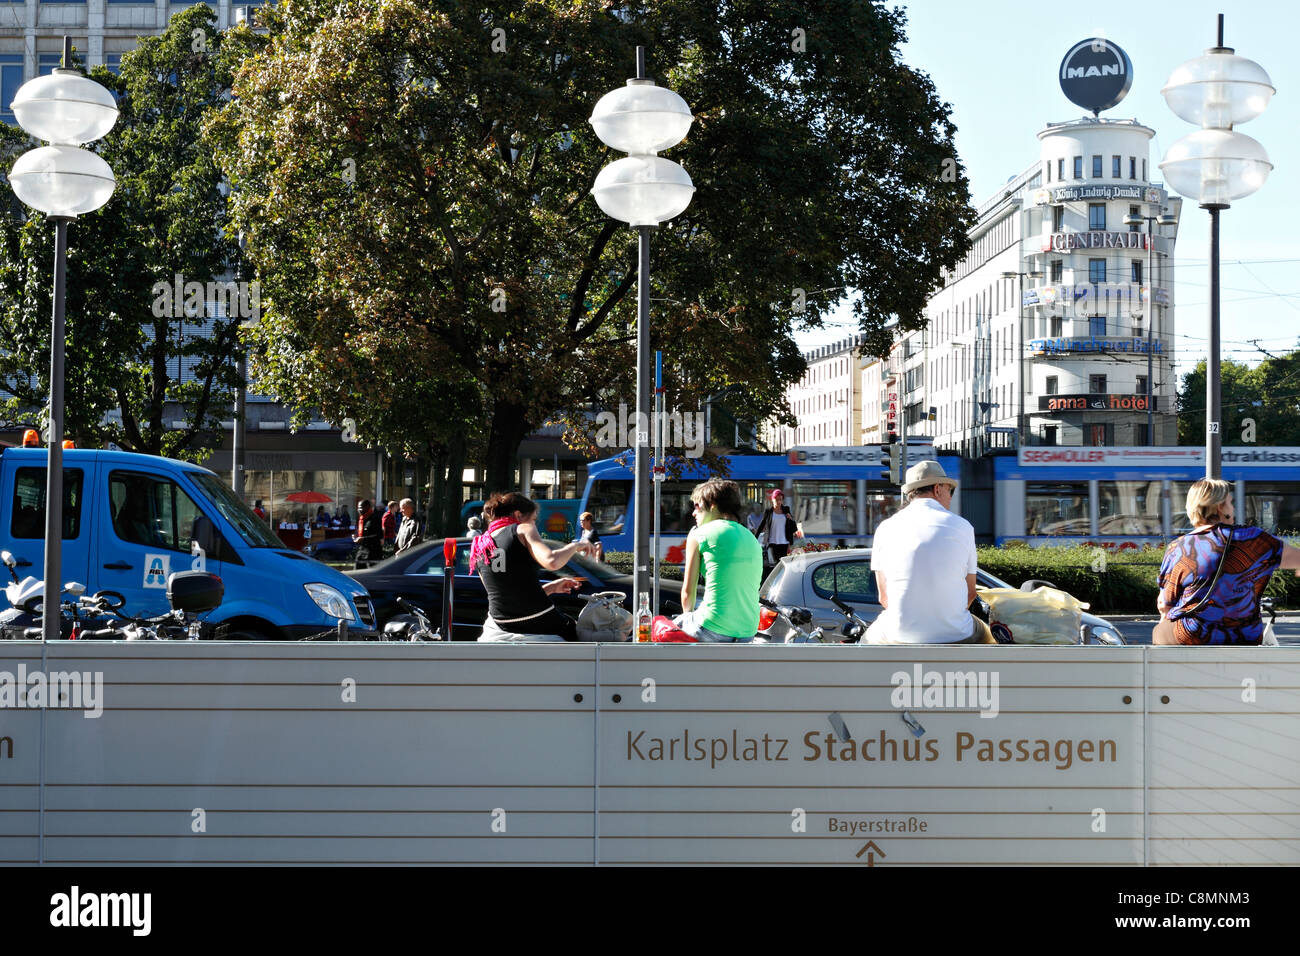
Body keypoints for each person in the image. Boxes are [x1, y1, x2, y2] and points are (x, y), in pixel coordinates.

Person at [1154, 478, 1300, 645]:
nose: (1234, 509)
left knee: (1160, 631)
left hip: (1193, 635)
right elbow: (1297, 558)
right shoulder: (1253, 539)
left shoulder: (1178, 548)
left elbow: (1165, 604)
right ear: (1220, 507)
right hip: (1245, 635)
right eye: (1231, 503)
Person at [866, 460, 993, 645]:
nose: (950, 497)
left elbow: (884, 598)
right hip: (957, 633)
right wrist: (946, 619)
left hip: (900, 634)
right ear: (937, 489)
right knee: (986, 631)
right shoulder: (963, 527)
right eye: (950, 490)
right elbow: (970, 593)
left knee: (867, 637)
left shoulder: (884, 528)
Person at [471, 492, 592, 641]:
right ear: (518, 515)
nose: (534, 524)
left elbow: (506, 595)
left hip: (501, 623)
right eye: (534, 519)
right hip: (537, 618)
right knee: (579, 633)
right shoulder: (522, 528)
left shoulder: (480, 545)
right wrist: (576, 546)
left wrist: (551, 588)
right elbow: (552, 561)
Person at [675, 478, 764, 642]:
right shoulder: (750, 537)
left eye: (697, 506)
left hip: (711, 626)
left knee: (661, 629)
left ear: (713, 505)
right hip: (748, 630)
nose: (693, 513)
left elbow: (688, 594)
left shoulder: (698, 534)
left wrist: (687, 618)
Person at [754, 489, 802, 565]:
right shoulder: (769, 511)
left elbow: (793, 527)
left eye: (780, 499)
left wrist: (790, 519)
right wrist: (754, 538)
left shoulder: (786, 509)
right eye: (776, 500)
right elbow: (761, 525)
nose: (779, 502)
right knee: (776, 564)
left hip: (785, 542)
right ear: (772, 500)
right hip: (773, 542)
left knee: (783, 564)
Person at [352, 499, 383, 568]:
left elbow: (379, 535)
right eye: (358, 507)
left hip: (373, 552)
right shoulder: (361, 519)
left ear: (367, 507)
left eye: (361, 507)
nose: (359, 509)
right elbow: (361, 533)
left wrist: (363, 539)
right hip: (362, 549)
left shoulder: (375, 518)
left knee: (371, 574)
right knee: (357, 572)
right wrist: (356, 536)